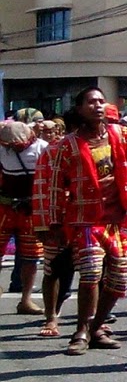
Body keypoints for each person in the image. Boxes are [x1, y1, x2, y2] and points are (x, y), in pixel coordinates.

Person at [33, 87, 127, 355]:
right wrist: (50, 224)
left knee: (117, 282)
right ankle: (81, 330)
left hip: (119, 220)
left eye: (101, 101)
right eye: (91, 102)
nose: (97, 106)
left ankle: (97, 327)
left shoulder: (122, 135)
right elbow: (51, 185)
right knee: (91, 273)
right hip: (84, 220)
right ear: (79, 108)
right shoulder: (64, 146)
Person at [0, 119, 47, 315]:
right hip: (4, 208)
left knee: (31, 257)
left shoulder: (42, 149)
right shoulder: (2, 149)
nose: (13, 147)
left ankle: (25, 299)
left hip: (31, 209)